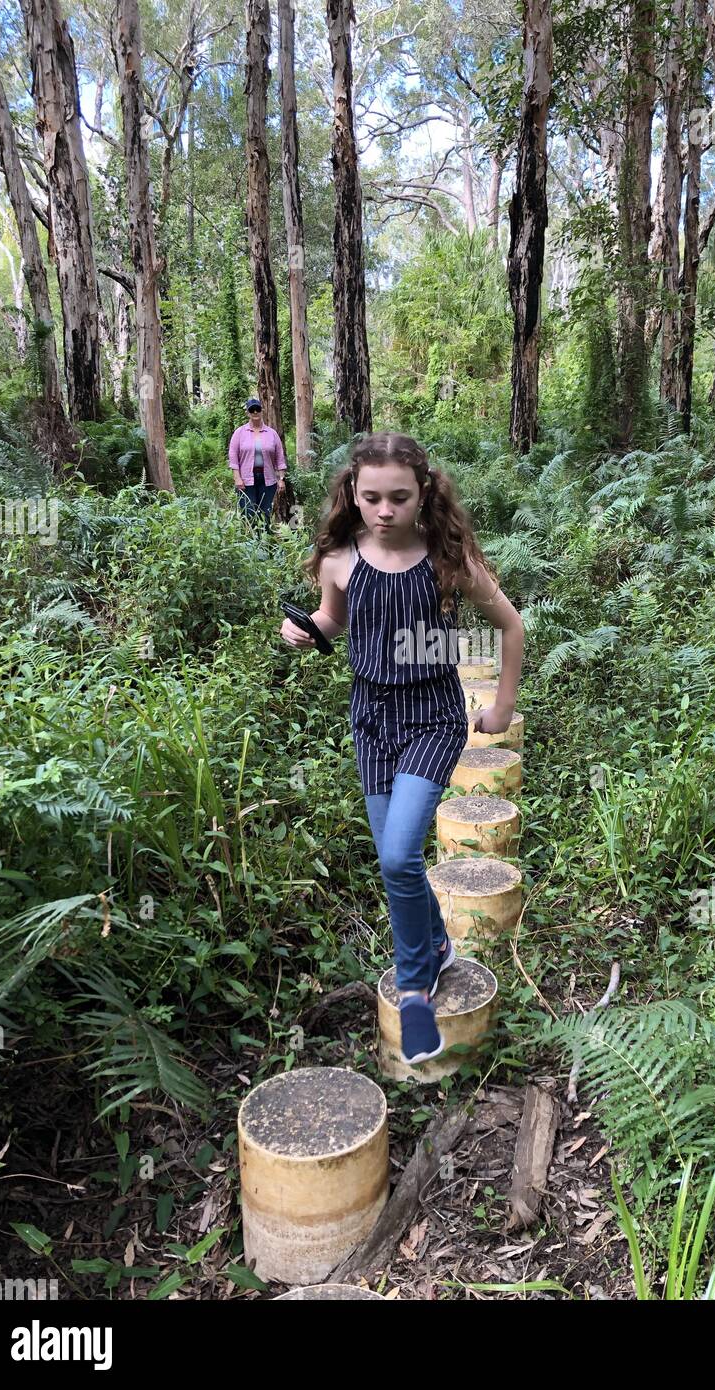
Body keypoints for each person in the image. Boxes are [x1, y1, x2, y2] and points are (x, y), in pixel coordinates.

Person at [280, 431, 524, 1065]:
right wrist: (307, 630)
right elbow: (334, 619)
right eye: (371, 498)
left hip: (433, 718)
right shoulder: (339, 559)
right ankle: (438, 945)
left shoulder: (446, 561)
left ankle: (415, 984)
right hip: (373, 722)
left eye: (399, 498)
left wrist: (498, 706)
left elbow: (510, 624)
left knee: (395, 857)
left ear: (424, 496)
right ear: (352, 497)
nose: (385, 511)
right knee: (400, 864)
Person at [229, 398, 287, 533]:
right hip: (246, 480)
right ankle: (251, 544)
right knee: (248, 513)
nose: (255, 412)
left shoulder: (272, 433)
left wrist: (281, 479)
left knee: (264, 513)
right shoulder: (240, 433)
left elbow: (280, 458)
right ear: (247, 413)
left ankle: (265, 545)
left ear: (262, 411)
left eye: (258, 409)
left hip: (267, 480)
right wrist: (237, 478)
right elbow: (233, 457)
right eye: (251, 410)